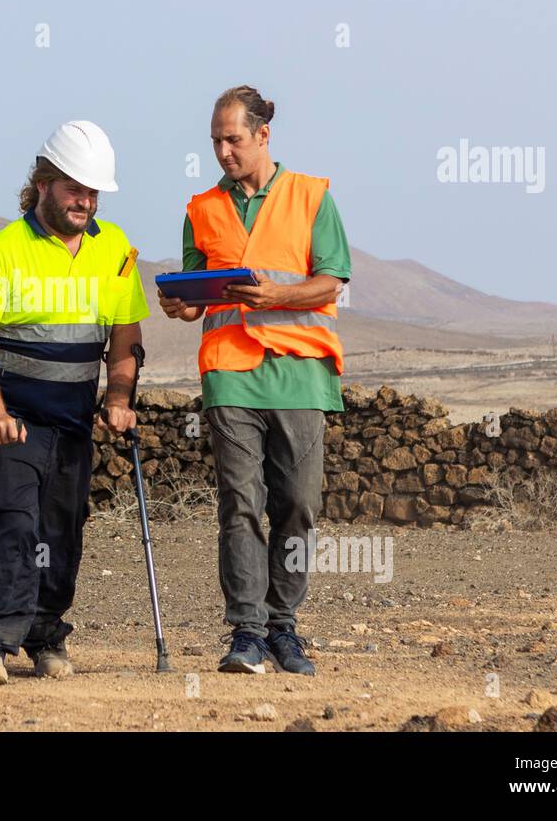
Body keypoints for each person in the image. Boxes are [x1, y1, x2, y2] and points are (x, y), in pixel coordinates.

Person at [158, 86, 351, 676]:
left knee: (298, 505)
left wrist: (276, 295)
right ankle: (245, 633)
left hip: (300, 374)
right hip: (230, 375)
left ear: (263, 135)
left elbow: (331, 281)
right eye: (215, 140)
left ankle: (283, 627)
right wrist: (181, 306)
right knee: (240, 504)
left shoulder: (311, 196)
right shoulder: (200, 208)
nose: (222, 151)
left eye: (232, 139)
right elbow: (197, 293)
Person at [0, 120, 149, 686]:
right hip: (9, 423)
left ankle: (45, 636)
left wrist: (118, 398)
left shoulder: (115, 251)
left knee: (61, 531)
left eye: (93, 192)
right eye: (74, 189)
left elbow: (125, 339)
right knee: (11, 525)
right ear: (43, 183)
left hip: (72, 425)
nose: (85, 201)